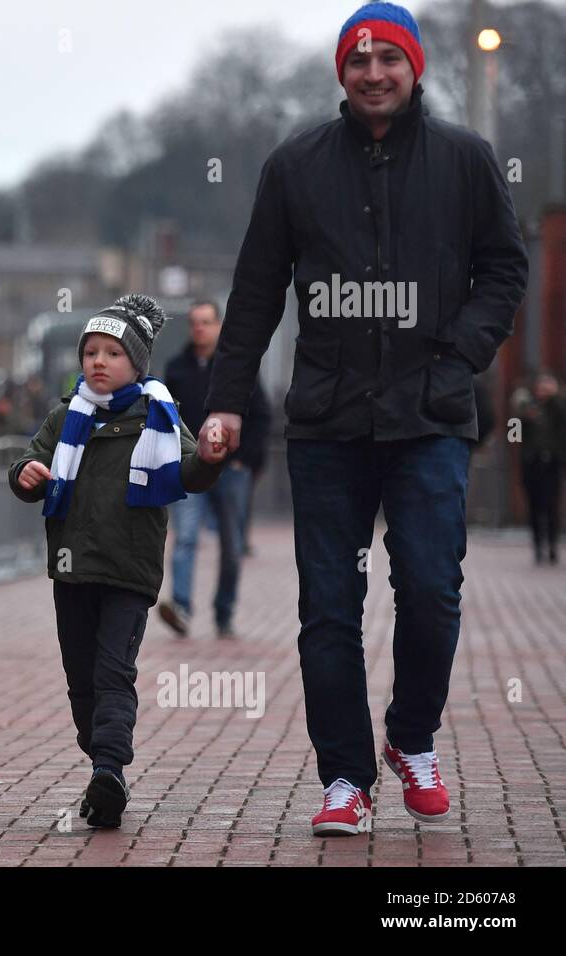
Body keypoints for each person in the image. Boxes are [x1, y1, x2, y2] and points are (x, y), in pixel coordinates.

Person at [200, 2, 528, 836]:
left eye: (389, 59)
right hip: (327, 426)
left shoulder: (465, 160)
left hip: (431, 418)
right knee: (329, 608)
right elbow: (255, 292)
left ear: (415, 68)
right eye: (358, 60)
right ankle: (344, 777)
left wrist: (459, 352)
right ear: (341, 72)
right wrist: (227, 401)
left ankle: (411, 739)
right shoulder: (295, 167)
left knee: (430, 589)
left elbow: (504, 268)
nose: (374, 73)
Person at [7, 295, 225, 828]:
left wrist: (212, 457)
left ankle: (109, 772)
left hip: (128, 572)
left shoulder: (158, 416)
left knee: (112, 674)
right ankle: (100, 756)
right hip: (72, 569)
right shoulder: (66, 415)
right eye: (90, 353)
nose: (98, 362)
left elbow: (190, 471)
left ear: (137, 363)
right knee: (81, 680)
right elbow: (29, 461)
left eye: (112, 353)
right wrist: (25, 474)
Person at [160, 301, 271, 639]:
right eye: (195, 322)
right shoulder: (177, 369)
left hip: (230, 471)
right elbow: (165, 419)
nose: (199, 328)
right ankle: (179, 606)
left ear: (219, 326)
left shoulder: (236, 368)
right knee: (186, 538)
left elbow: (262, 416)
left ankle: (223, 612)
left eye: (206, 322)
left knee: (232, 546)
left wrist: (244, 461)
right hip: (188, 469)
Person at [512, 371, 566, 564]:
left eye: (549, 387)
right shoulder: (527, 407)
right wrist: (520, 414)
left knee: (552, 506)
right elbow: (513, 435)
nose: (545, 391)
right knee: (534, 506)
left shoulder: (559, 407)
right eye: (542, 387)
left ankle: (552, 545)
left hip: (552, 463)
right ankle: (538, 546)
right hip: (531, 464)